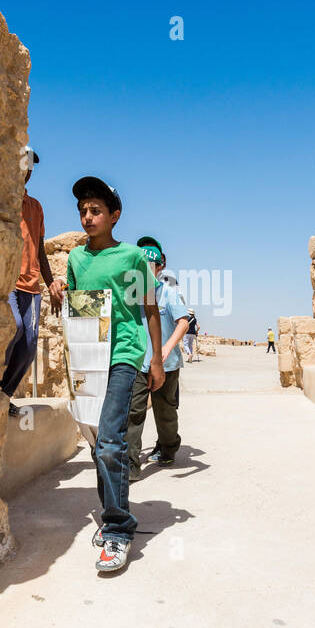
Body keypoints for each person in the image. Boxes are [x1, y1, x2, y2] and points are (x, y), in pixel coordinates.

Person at [65, 176, 164, 573]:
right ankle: (113, 510)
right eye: (83, 211)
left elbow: (150, 309)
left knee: (110, 441)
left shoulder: (133, 258)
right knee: (96, 440)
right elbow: (78, 310)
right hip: (89, 358)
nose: (88, 218)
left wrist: (156, 359)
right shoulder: (75, 259)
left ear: (114, 216)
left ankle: (118, 529)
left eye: (96, 211)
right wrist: (60, 294)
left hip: (123, 353)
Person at [0, 147, 64, 416]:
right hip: (8, 283)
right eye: (23, 164)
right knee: (12, 327)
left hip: (32, 287)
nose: (26, 170)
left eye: (30, 167)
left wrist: (50, 282)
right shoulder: (2, 200)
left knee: (29, 345)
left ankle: (3, 396)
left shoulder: (35, 207)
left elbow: (39, 247)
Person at [126, 237, 192, 481]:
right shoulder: (130, 295)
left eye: (148, 266)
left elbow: (183, 323)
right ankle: (131, 465)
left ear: (159, 268)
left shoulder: (169, 294)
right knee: (133, 413)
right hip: (138, 363)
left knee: (165, 413)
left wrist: (166, 347)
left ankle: (168, 447)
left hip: (167, 364)